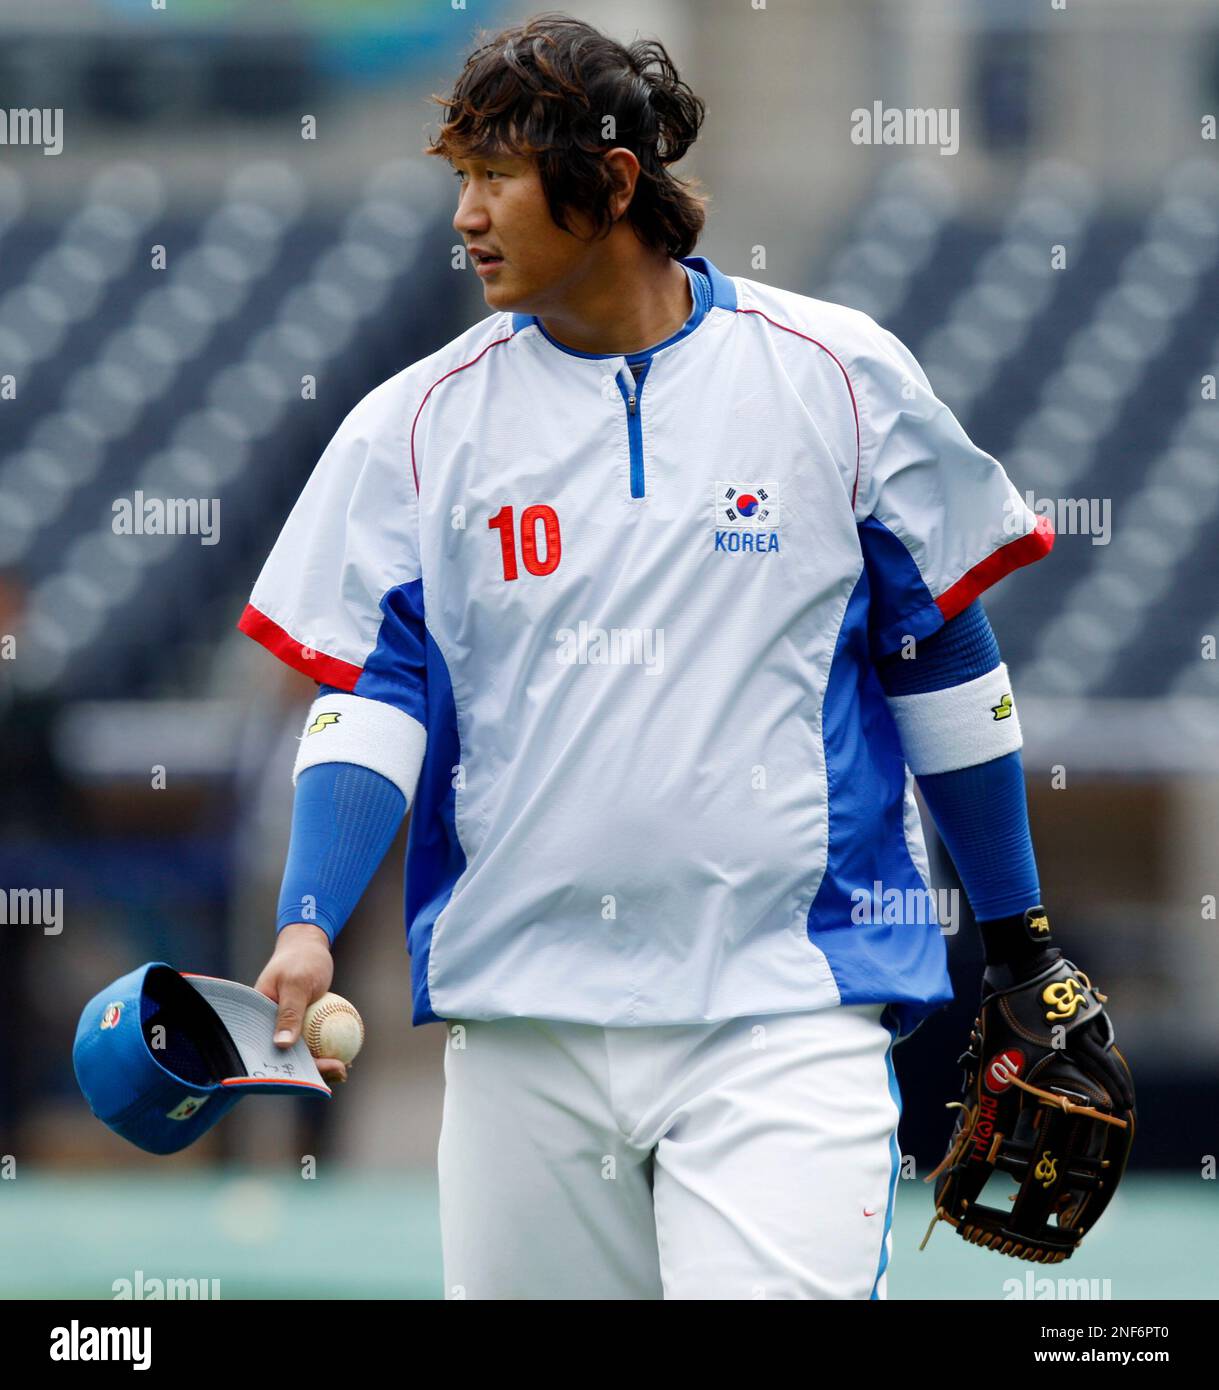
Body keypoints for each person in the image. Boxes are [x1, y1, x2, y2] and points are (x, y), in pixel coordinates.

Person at [241, 12, 1128, 1298]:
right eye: (462, 179)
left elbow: (940, 660)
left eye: (495, 176)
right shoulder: (414, 427)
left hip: (783, 1017)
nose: (466, 217)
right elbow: (375, 697)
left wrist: (1021, 939)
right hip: (523, 1027)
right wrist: (309, 918)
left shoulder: (837, 374)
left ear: (608, 183)